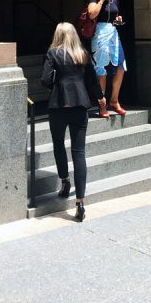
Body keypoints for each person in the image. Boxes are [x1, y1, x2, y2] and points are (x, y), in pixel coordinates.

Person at [41, 22, 105, 222]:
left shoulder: (53, 53)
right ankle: (80, 202)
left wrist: (55, 84)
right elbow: (93, 81)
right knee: (79, 152)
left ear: (57, 35)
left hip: (59, 105)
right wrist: (100, 97)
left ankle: (65, 181)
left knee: (59, 145)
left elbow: (45, 80)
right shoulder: (82, 54)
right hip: (80, 105)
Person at [87, 0, 127, 116]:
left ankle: (114, 100)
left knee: (121, 66)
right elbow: (92, 14)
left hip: (113, 34)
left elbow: (114, 15)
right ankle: (101, 105)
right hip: (100, 34)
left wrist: (118, 19)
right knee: (101, 70)